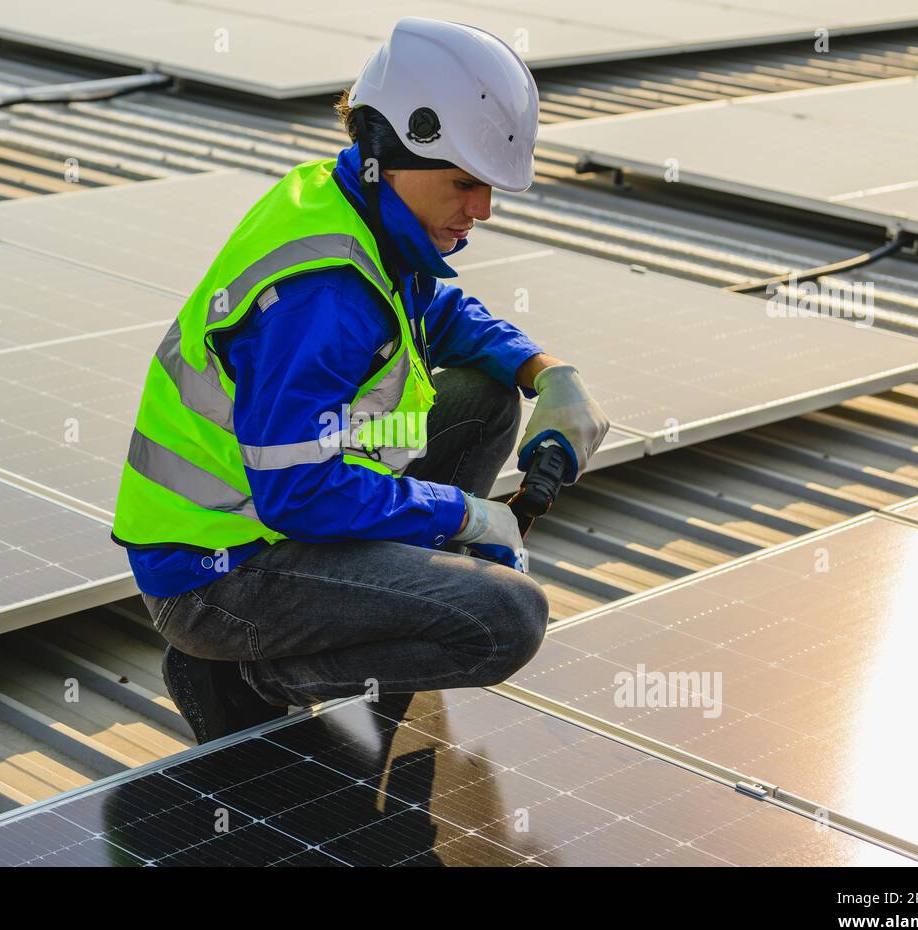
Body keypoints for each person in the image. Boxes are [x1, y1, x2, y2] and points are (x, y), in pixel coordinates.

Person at [111, 17, 611, 744]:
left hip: (277, 513)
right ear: (392, 153)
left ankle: (397, 607)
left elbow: (432, 309)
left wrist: (544, 370)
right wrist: (464, 515)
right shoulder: (321, 299)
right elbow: (299, 494)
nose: (483, 210)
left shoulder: (355, 201)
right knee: (506, 622)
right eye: (465, 183)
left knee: (485, 396)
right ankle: (242, 677)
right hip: (218, 577)